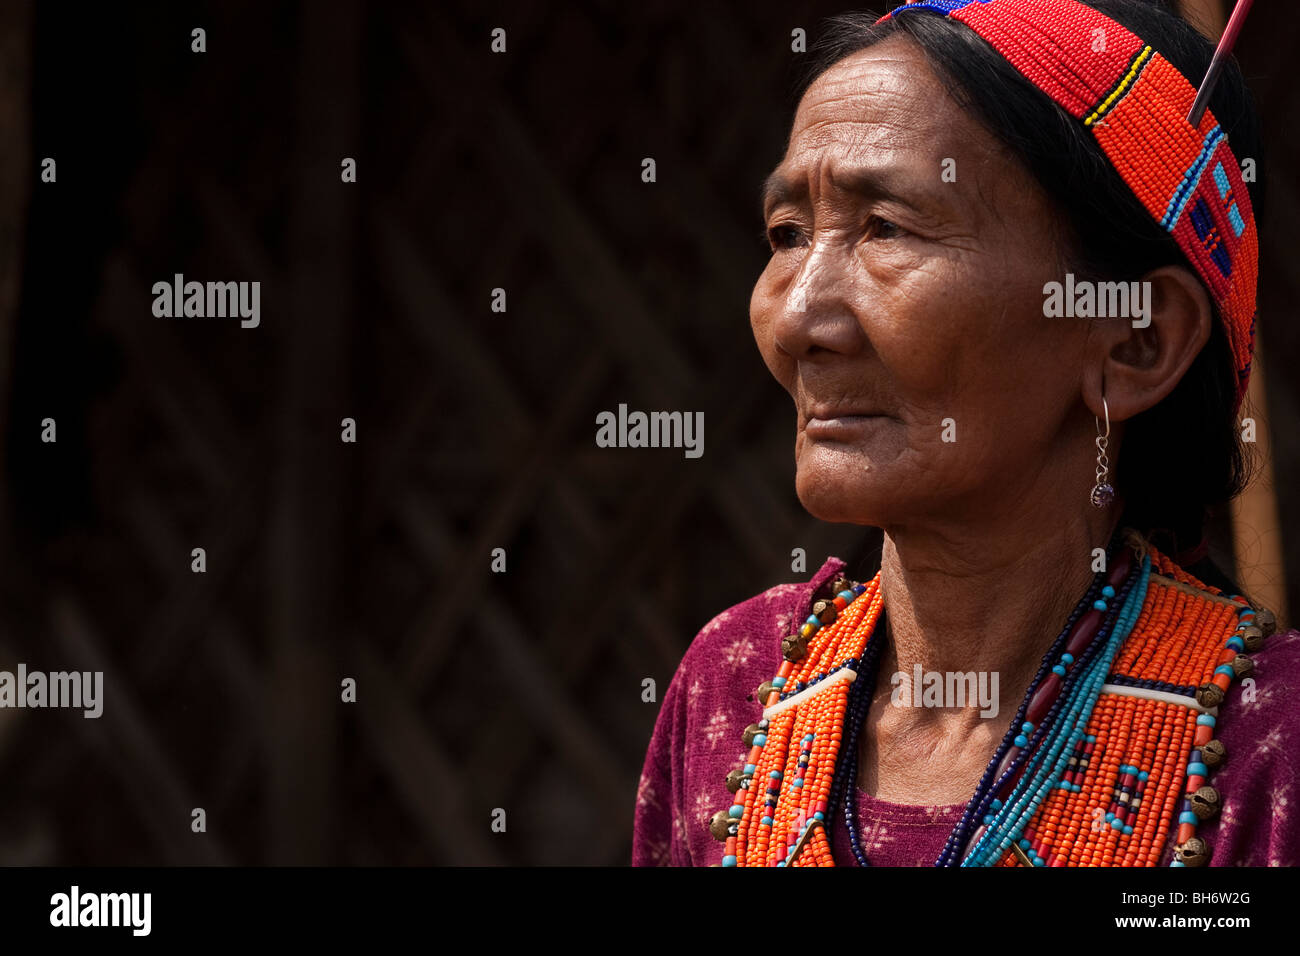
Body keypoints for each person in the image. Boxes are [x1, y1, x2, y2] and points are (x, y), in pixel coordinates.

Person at [632, 0, 1299, 867]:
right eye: (788, 234)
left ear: (1137, 339)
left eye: (886, 229)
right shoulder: (737, 683)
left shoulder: (1268, 744)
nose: (796, 319)